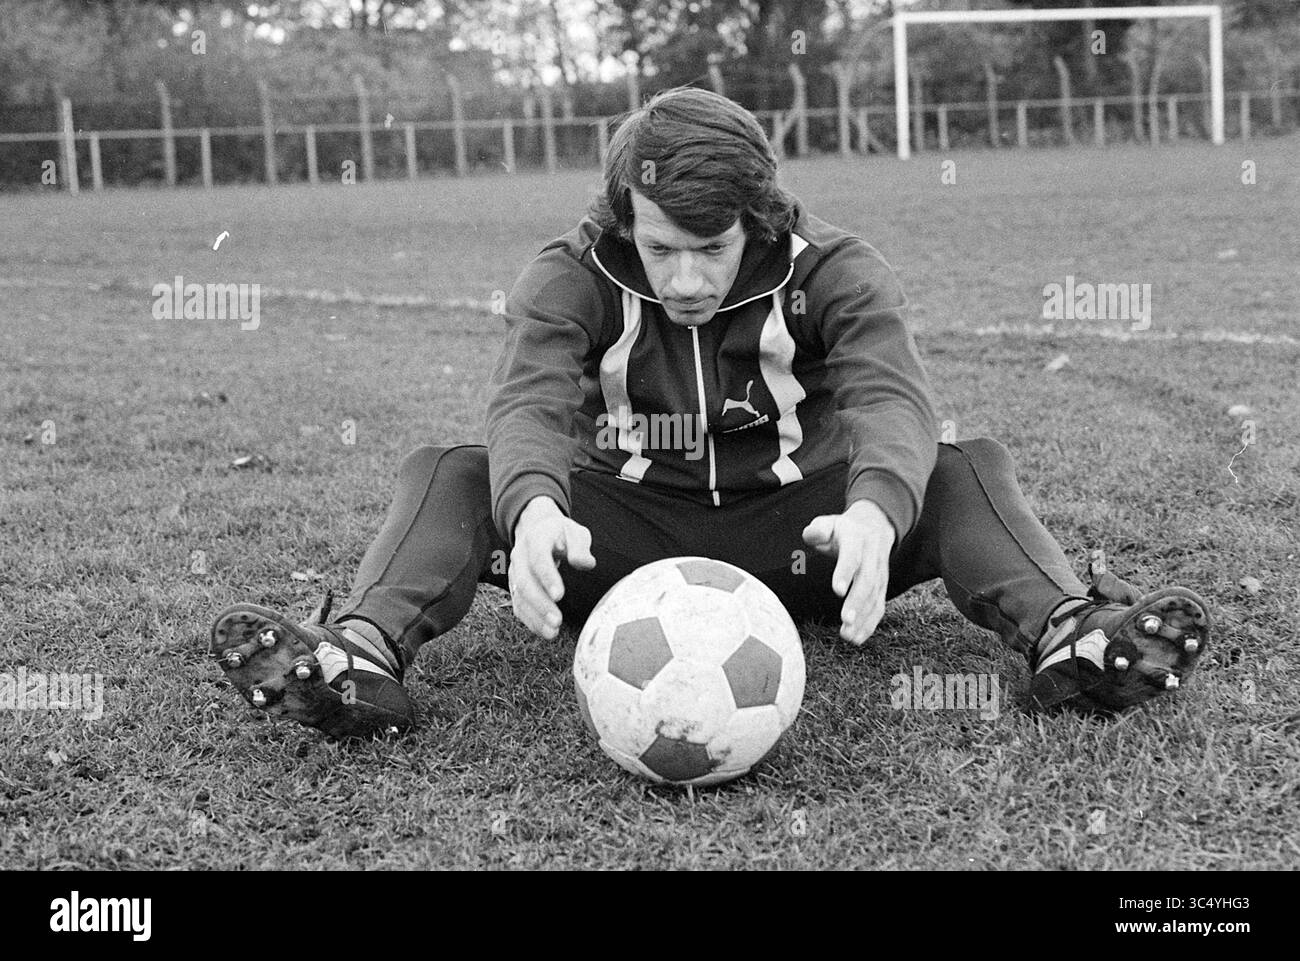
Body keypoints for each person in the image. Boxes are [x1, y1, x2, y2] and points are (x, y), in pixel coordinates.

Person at [208, 86, 1209, 740]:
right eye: (660, 248)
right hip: (619, 540)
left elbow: (891, 398)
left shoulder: (836, 271)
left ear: (761, 219)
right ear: (621, 215)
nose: (684, 277)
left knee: (961, 463)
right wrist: (536, 514)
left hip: (809, 538)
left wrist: (870, 513)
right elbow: (526, 402)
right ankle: (358, 657)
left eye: (711, 249)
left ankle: (1074, 637)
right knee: (453, 466)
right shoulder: (569, 272)